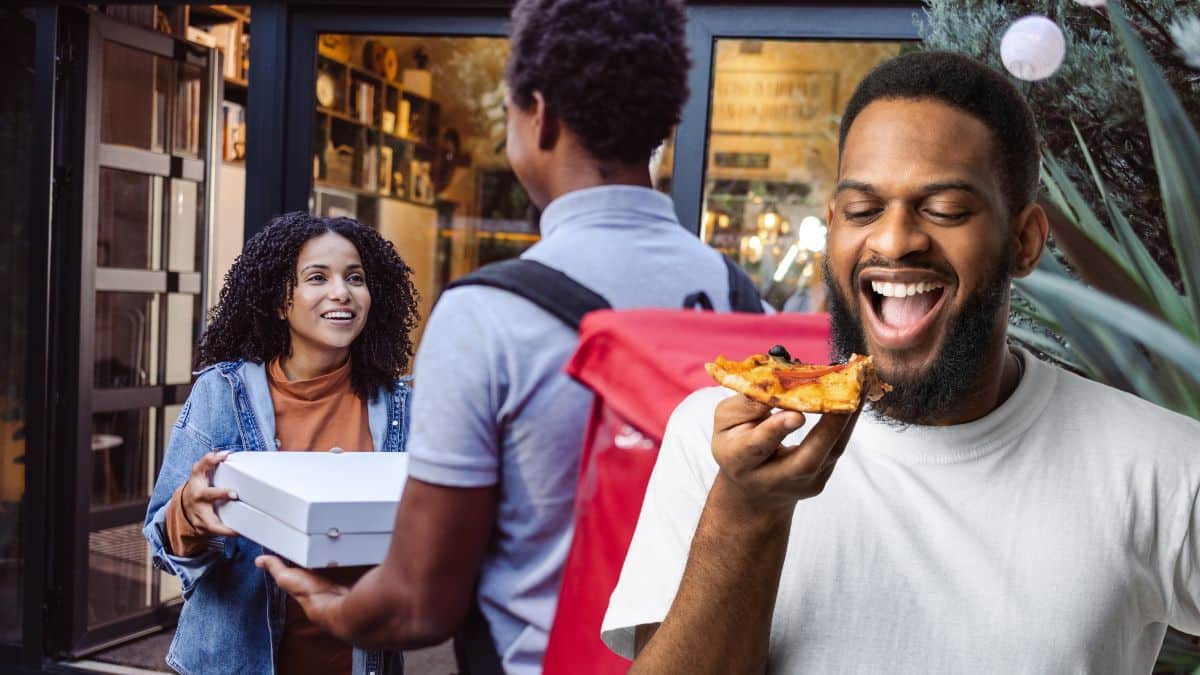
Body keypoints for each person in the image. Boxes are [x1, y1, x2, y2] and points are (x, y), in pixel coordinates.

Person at [602, 51, 1200, 673]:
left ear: (1024, 242)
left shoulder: (1159, 463)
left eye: (945, 210)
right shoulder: (722, 439)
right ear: (832, 227)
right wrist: (747, 511)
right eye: (862, 211)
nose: (892, 241)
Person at [256, 0, 758, 672]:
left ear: (539, 115)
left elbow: (420, 603)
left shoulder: (485, 316)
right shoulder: (741, 301)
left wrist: (330, 608)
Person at [143, 212, 419, 675]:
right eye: (318, 277)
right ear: (278, 301)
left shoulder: (401, 408)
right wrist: (188, 514)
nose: (342, 292)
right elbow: (161, 544)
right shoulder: (223, 393)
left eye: (355, 278)